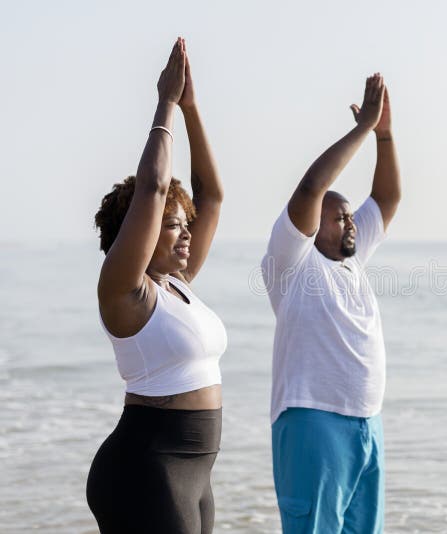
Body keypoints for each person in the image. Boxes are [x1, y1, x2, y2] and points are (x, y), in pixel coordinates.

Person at [86, 37, 226, 534]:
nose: (187, 230)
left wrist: (191, 107)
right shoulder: (126, 293)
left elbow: (210, 197)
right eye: (172, 223)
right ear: (138, 232)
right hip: (147, 468)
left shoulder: (178, 286)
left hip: (194, 472)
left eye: (184, 223)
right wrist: (165, 102)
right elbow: (153, 186)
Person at [262, 73, 401, 533]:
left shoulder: (354, 260)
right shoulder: (293, 262)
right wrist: (361, 131)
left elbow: (386, 197)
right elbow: (308, 191)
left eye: (350, 217)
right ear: (311, 225)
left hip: (367, 423)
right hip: (313, 421)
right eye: (339, 217)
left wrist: (384, 134)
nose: (351, 224)